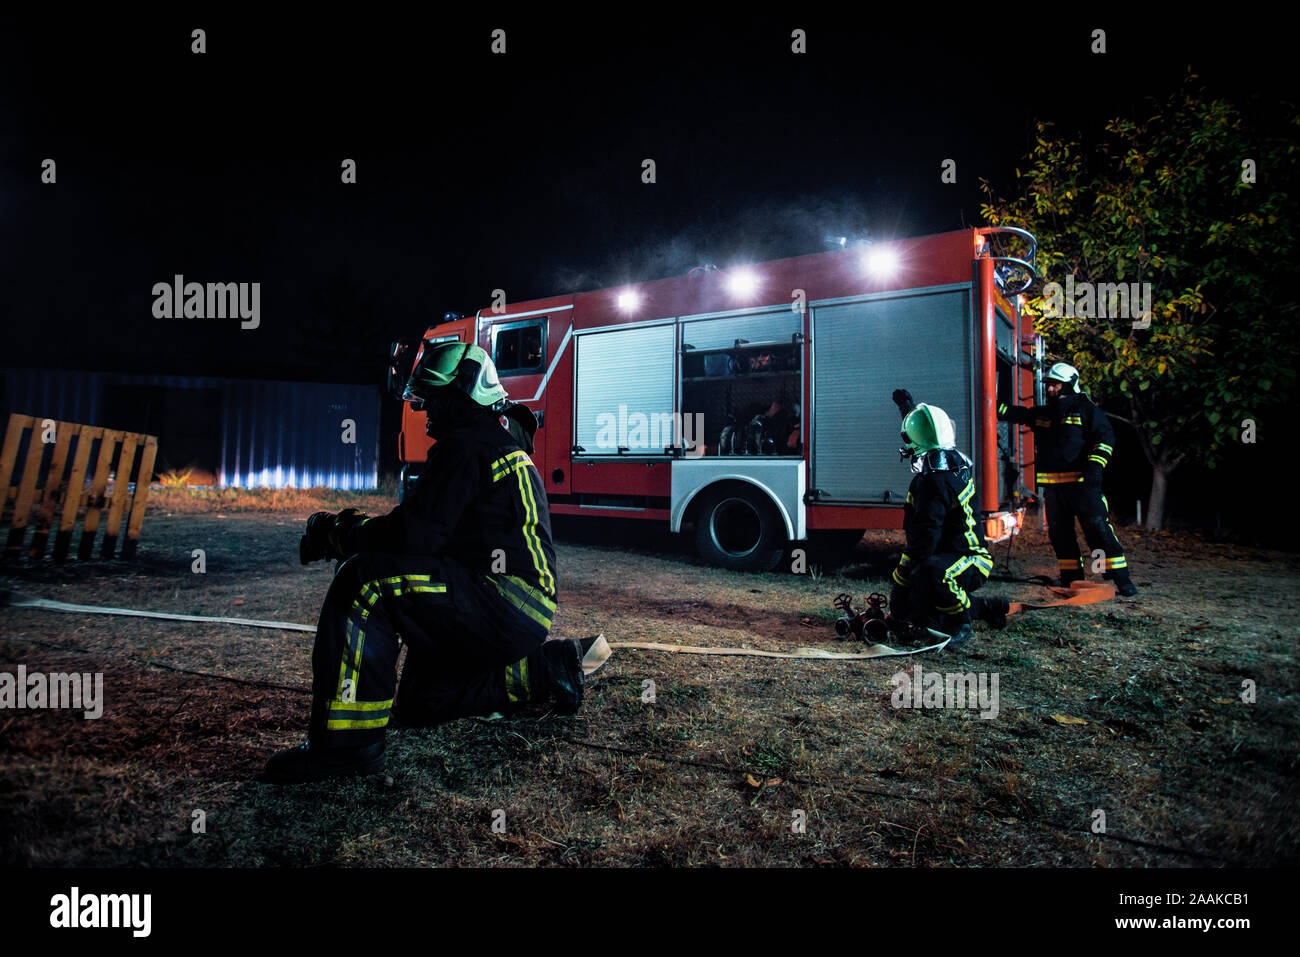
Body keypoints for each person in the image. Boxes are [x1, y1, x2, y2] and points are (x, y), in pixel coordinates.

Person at [261, 341, 589, 784]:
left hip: (497, 601)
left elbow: (414, 536)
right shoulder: (494, 441)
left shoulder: (468, 445)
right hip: (515, 611)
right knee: (421, 703)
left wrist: (345, 535)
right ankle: (546, 669)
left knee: (363, 581)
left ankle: (343, 750)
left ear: (464, 394)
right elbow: (430, 538)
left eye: (434, 397)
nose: (425, 410)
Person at [997, 362, 1138, 596]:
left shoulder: (1086, 409)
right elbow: (1020, 414)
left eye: (1055, 384)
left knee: (1097, 531)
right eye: (1049, 385)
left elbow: (1105, 439)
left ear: (1070, 384)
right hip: (1055, 489)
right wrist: (991, 404)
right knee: (1061, 535)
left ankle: (1118, 579)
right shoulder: (1046, 413)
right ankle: (1071, 579)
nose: (1051, 389)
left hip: (1083, 486)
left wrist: (1094, 468)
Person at [887, 402, 1010, 646]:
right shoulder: (949, 468)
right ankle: (986, 608)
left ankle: (962, 623)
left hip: (968, 558)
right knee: (918, 608)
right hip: (948, 554)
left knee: (932, 574)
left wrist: (900, 581)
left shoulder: (935, 481)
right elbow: (930, 432)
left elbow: (925, 539)